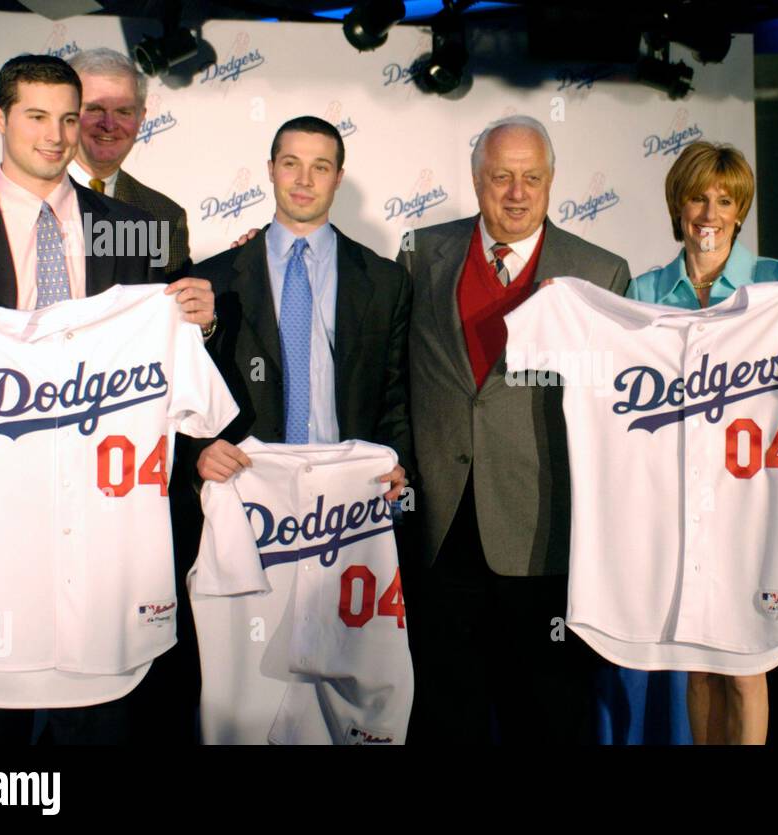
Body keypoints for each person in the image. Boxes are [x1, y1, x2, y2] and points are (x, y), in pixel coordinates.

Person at [0, 53, 214, 745]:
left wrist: (200, 319)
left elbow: (166, 361)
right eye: (37, 117)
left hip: (102, 540)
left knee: (99, 728)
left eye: (68, 119)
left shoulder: (135, 228)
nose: (56, 135)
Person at [397, 114, 630, 743]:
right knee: (447, 714)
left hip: (545, 532)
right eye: (501, 176)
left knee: (548, 714)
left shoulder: (599, 273)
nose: (517, 192)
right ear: (477, 181)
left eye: (531, 177)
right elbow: (395, 373)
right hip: (440, 527)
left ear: (552, 182)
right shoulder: (421, 252)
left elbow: (616, 410)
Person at [621, 141, 778, 745]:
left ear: (740, 209)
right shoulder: (644, 290)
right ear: (678, 204)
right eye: (698, 197)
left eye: (724, 200)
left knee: (747, 666)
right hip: (675, 505)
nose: (710, 212)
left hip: (752, 499)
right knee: (696, 665)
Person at [187, 114, 409, 504]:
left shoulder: (385, 281)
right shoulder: (214, 279)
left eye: (320, 168)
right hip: (244, 488)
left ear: (338, 177)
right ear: (271, 170)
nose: (304, 180)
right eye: (291, 164)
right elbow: (186, 388)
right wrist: (198, 451)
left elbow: (396, 392)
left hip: (351, 494)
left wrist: (397, 460)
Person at [67, 48, 190, 279]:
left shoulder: (165, 216)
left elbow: (173, 310)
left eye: (123, 112)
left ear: (141, 118)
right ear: (67, 112)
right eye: (95, 109)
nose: (109, 124)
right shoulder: (28, 200)